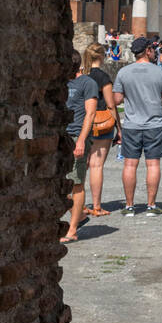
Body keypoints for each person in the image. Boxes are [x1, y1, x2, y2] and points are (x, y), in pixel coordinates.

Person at [112, 36, 162, 215]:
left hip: (131, 125)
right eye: (153, 50)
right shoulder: (160, 72)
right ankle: (151, 205)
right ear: (147, 51)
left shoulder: (123, 72)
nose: (155, 52)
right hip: (154, 124)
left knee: (130, 165)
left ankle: (129, 206)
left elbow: (116, 99)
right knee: (153, 165)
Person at [62, 51, 98, 243]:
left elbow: (90, 114)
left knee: (76, 182)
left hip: (77, 136)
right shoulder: (61, 83)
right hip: (61, 137)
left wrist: (82, 140)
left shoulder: (87, 83)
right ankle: (81, 215)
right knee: (59, 183)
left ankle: (73, 229)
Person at [82, 43, 120, 217]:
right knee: (97, 166)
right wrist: (119, 128)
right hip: (101, 122)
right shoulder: (104, 77)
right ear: (102, 56)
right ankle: (96, 206)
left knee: (84, 165)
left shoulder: (83, 75)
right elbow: (111, 104)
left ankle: (80, 204)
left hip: (84, 123)